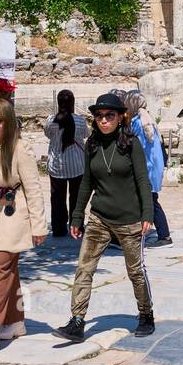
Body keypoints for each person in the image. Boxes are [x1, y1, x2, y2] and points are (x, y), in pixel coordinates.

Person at [55, 93, 155, 342]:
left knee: (135, 271)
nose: (104, 120)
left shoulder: (132, 144)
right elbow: (87, 181)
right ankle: (77, 321)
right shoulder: (92, 144)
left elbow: (143, 179)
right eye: (99, 116)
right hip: (99, 217)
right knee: (84, 268)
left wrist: (147, 213)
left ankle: (146, 314)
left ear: (121, 117)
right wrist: (77, 216)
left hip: (129, 218)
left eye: (110, 115)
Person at [0, 98, 45, 351]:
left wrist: (39, 226)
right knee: (8, 272)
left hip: (12, 218)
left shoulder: (21, 150)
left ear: (7, 123)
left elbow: (34, 189)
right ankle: (14, 322)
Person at [126, 89, 171, 246]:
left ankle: (164, 236)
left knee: (150, 202)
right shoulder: (148, 120)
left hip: (147, 168)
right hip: (153, 167)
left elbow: (135, 146)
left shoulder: (137, 122)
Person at [44, 89, 89, 239]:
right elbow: (85, 135)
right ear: (73, 103)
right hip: (77, 164)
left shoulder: (51, 120)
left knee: (57, 199)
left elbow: (48, 135)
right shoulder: (80, 120)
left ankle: (58, 228)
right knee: (76, 198)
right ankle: (77, 227)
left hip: (57, 164)